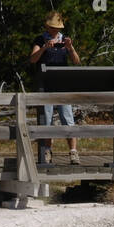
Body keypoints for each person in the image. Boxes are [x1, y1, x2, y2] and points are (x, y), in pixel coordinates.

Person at [29, 11, 81, 164]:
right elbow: (33, 59)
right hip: (45, 86)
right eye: (52, 28)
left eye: (57, 28)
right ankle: (47, 151)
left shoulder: (64, 39)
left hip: (62, 85)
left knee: (68, 118)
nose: (55, 31)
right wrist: (44, 48)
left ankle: (73, 152)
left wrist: (70, 48)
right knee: (47, 119)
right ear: (47, 27)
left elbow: (77, 61)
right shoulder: (40, 40)